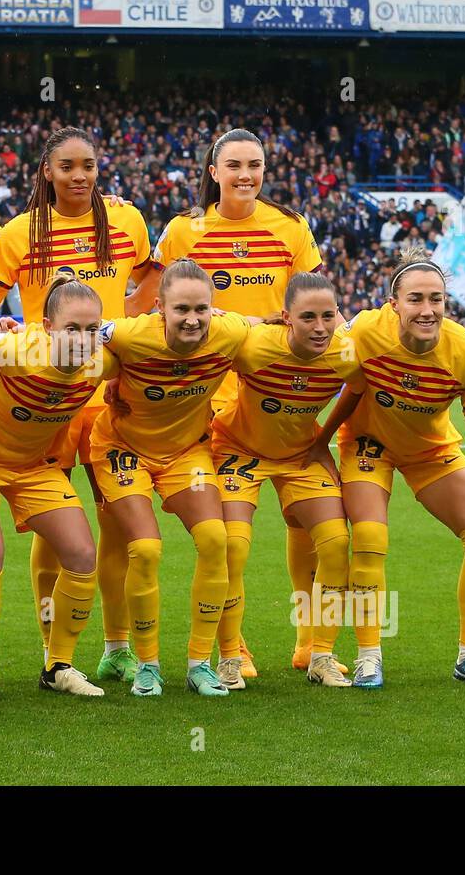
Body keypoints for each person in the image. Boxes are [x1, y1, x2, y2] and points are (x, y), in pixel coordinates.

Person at [0, 126, 153, 686]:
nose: (79, 175)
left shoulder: (127, 220)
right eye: (66, 166)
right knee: (52, 532)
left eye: (88, 164)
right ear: (46, 171)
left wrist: (124, 337)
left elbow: (151, 280)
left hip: (104, 389)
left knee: (115, 526)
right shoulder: (21, 233)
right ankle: (51, 654)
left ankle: (116, 647)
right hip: (49, 392)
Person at [130, 127, 327, 677]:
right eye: (234, 165)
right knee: (229, 535)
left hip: (282, 394)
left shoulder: (290, 228)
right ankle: (232, 646)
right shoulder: (182, 232)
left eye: (255, 165)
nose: (246, 175)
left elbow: (312, 303)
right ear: (213, 171)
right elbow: (151, 302)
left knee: (305, 524)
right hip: (213, 403)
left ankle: (311, 641)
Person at [312, 248, 465, 689]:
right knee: (368, 537)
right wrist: (317, 438)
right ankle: (368, 656)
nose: (427, 309)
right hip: (369, 445)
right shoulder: (364, 329)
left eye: (435, 299)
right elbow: (320, 358)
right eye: (416, 299)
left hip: (429, 450)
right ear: (393, 303)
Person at [91, 258, 264, 698]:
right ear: (158, 309)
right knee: (145, 549)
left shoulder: (230, 331)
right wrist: (9, 330)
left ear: (214, 309)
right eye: (181, 309)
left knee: (215, 540)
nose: (192, 319)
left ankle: (199, 664)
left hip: (187, 454)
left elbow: (267, 325)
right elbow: (77, 331)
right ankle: (147, 664)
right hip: (122, 451)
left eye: (201, 309)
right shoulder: (129, 334)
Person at [0, 274, 112, 698]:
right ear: (49, 328)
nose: (83, 338)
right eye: (72, 328)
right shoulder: (16, 349)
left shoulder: (104, 361)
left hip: (34, 467)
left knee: (82, 554)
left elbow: (156, 342)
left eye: (92, 329)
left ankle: (58, 666)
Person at [210, 272, 365, 689]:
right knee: (233, 548)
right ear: (287, 318)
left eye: (328, 316)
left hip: (301, 453)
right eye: (308, 317)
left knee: (335, 542)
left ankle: (318, 653)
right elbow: (202, 352)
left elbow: (357, 387)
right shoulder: (255, 346)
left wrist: (326, 438)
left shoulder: (346, 352)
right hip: (239, 448)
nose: (319, 327)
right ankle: (229, 654)